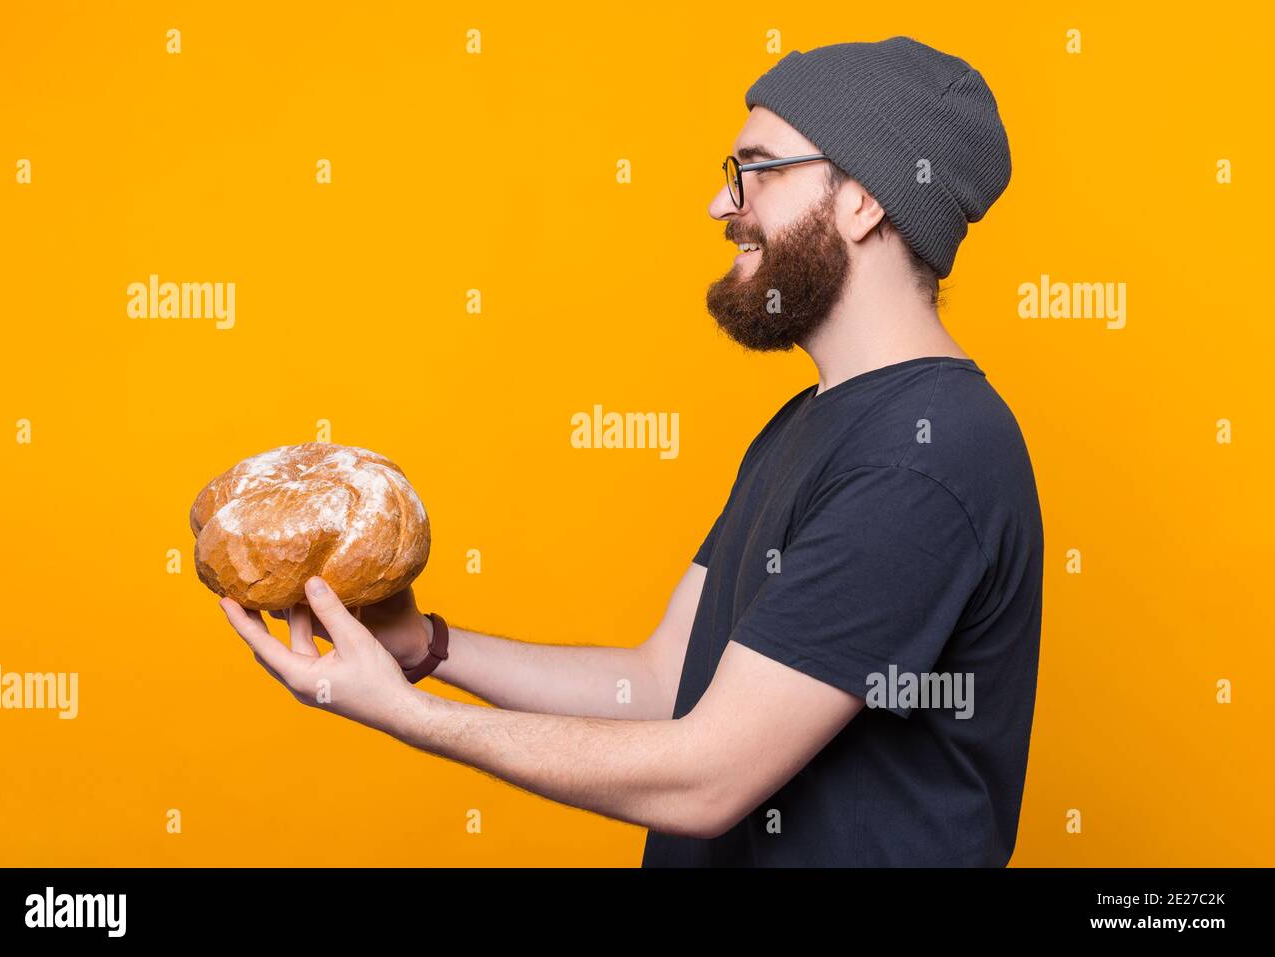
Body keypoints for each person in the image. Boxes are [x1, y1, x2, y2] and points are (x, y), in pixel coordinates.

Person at [222, 35, 1044, 867]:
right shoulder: (813, 423)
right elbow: (661, 685)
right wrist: (428, 647)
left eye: (754, 171)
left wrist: (404, 714)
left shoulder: (926, 456)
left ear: (863, 200)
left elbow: (710, 775)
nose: (721, 208)